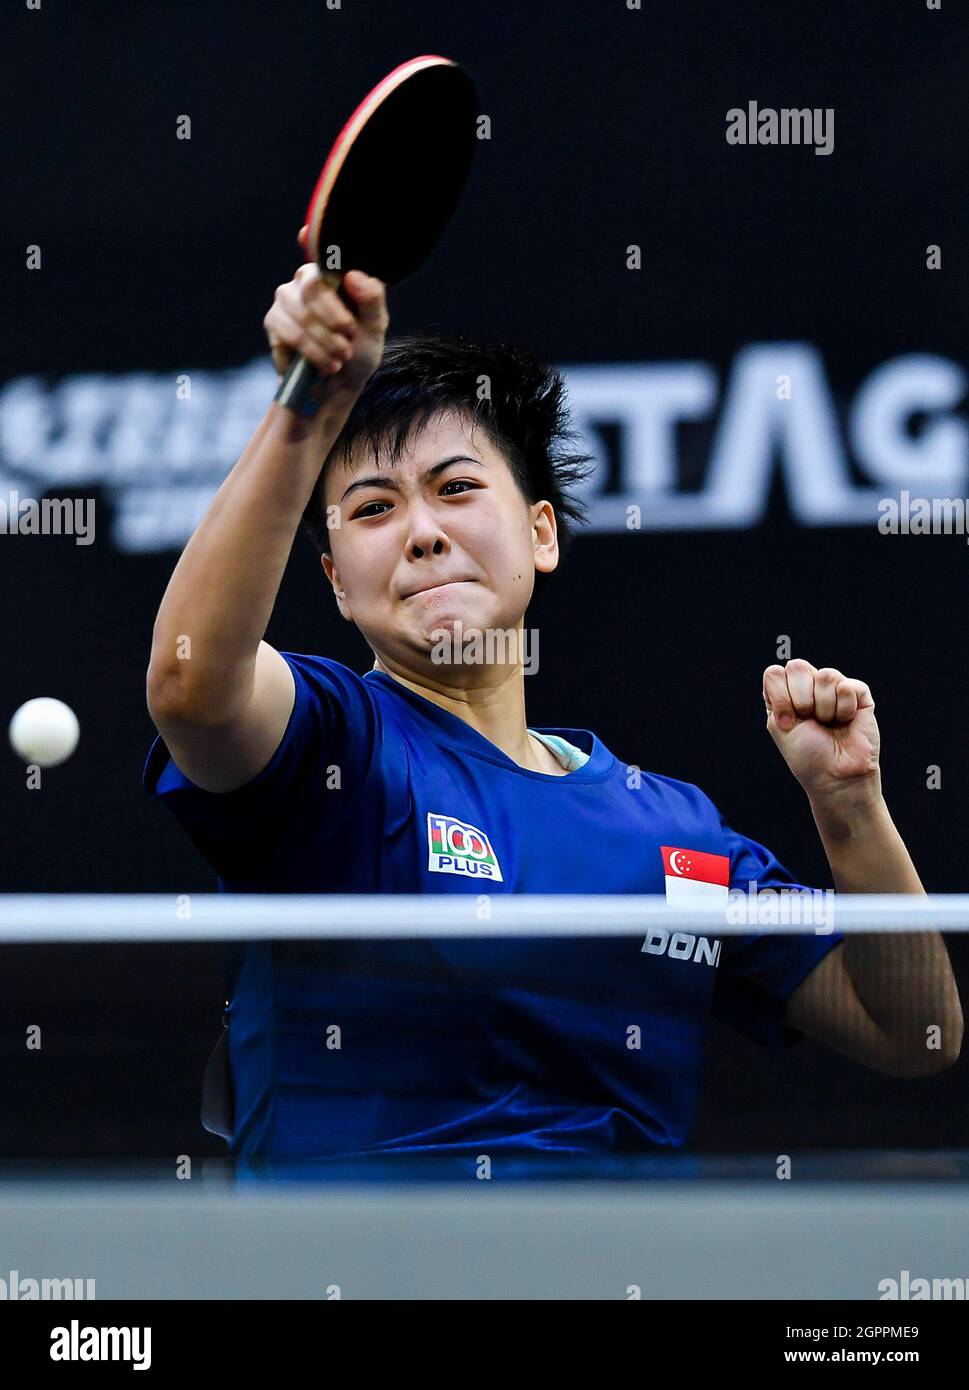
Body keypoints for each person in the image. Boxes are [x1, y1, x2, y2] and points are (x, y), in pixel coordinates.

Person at [143, 231, 963, 1176]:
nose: (420, 534)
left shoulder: (676, 833)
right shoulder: (339, 747)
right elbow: (191, 684)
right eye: (372, 510)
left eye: (455, 489)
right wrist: (306, 411)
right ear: (335, 580)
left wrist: (851, 806)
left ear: (541, 533)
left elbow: (918, 1033)